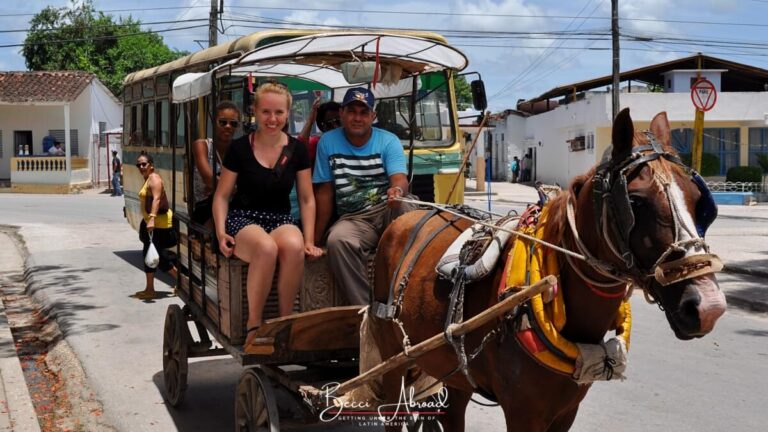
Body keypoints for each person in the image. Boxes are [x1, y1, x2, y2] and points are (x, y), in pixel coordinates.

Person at [213, 82, 323, 345]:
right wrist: (220, 233)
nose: (272, 119)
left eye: (278, 113)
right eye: (266, 112)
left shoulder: (297, 150)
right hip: (244, 217)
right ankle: (254, 325)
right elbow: (222, 195)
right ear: (255, 112)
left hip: (280, 219)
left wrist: (309, 240)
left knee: (294, 246)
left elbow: (307, 199)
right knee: (265, 248)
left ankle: (284, 323)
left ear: (287, 114)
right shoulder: (240, 148)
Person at [313, 87, 418, 305]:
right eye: (352, 111)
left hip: (388, 209)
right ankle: (366, 310)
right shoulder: (327, 142)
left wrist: (397, 192)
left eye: (363, 112)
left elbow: (399, 179)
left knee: (407, 209)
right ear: (342, 113)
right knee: (337, 240)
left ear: (373, 116)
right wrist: (314, 239)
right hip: (355, 219)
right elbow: (324, 193)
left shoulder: (388, 140)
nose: (357, 118)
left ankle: (407, 298)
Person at [136, 153, 178, 300]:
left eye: (144, 164)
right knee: (152, 256)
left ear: (151, 165)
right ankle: (150, 288)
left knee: (155, 257)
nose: (141, 167)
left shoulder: (154, 178)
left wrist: (152, 218)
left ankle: (181, 281)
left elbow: (157, 199)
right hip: (153, 224)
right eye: (139, 165)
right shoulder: (147, 179)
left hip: (160, 225)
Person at [192, 101, 240, 224]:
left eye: (233, 123)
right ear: (214, 122)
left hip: (234, 206)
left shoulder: (239, 149)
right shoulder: (202, 146)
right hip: (206, 208)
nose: (228, 126)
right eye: (223, 122)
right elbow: (209, 179)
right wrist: (236, 188)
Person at [298, 97, 341, 168]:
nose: (335, 127)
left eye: (338, 121)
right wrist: (310, 121)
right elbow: (299, 149)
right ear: (322, 127)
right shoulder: (318, 144)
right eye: (329, 124)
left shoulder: (353, 142)